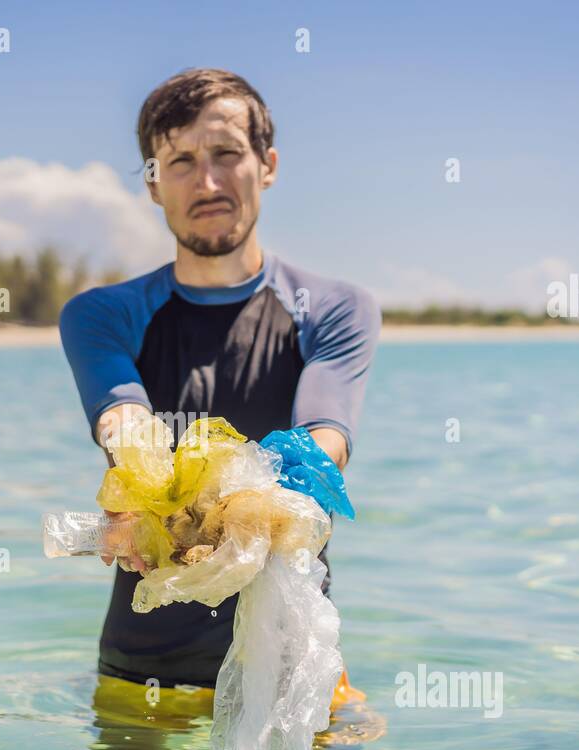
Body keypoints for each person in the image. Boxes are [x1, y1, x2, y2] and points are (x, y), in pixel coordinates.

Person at [60, 67, 381, 706]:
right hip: (144, 662)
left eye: (227, 154)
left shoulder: (335, 308)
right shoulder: (99, 315)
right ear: (153, 183)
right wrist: (144, 474)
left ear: (267, 163)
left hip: (298, 663)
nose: (206, 182)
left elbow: (325, 438)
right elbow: (126, 423)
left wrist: (224, 502)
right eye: (179, 161)